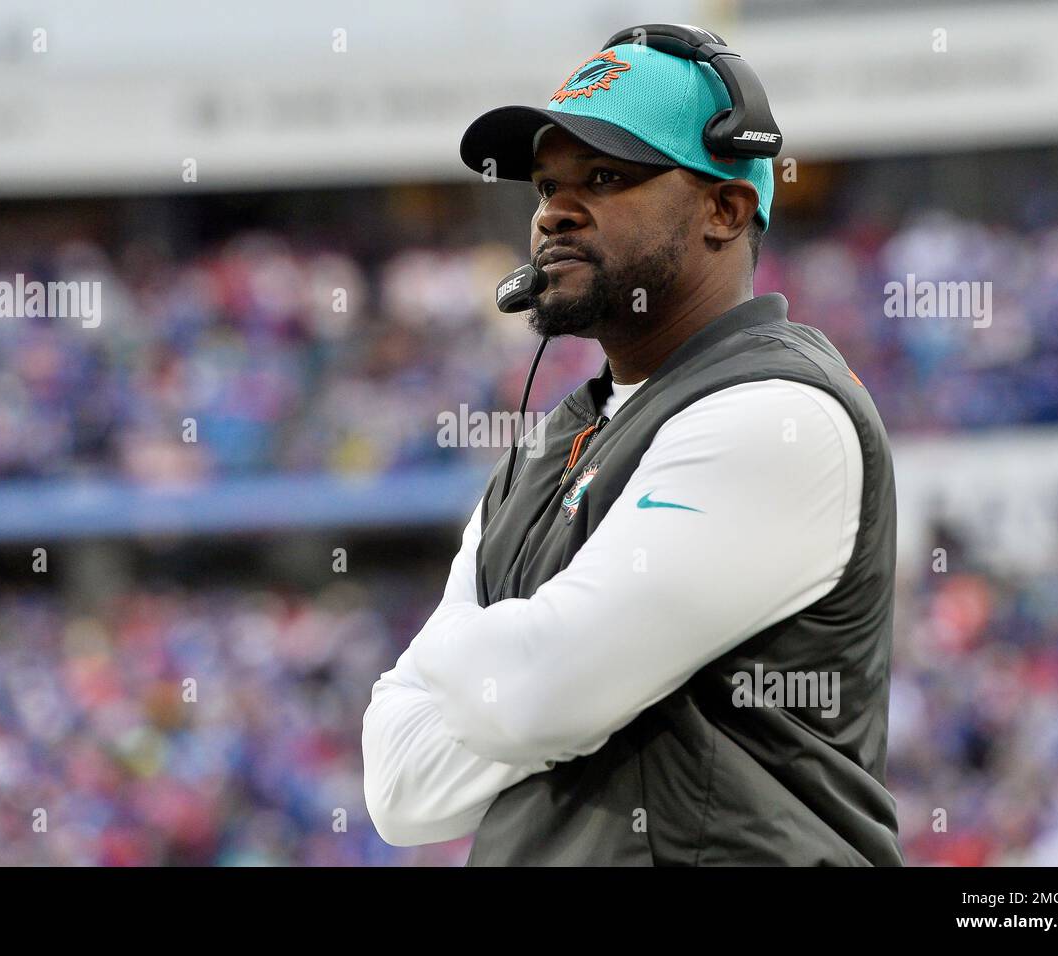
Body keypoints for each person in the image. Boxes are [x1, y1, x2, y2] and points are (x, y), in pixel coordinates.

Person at [363, 25, 904, 865]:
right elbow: (399, 787)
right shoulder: (550, 442)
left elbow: (541, 695)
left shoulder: (778, 416)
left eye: (606, 177)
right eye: (546, 184)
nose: (551, 212)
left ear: (726, 208)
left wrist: (473, 654)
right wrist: (529, 669)